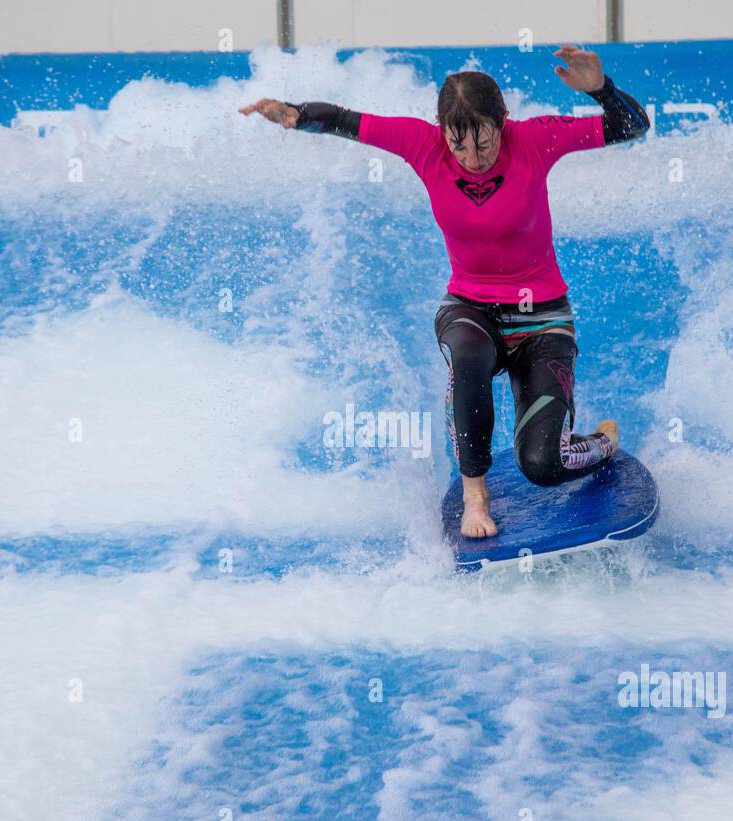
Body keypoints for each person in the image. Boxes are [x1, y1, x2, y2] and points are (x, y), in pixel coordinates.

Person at [241, 45, 650, 538]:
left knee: (542, 465)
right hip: (470, 308)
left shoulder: (535, 140)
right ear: (443, 133)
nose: (472, 158)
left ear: (502, 121)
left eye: (484, 142)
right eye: (459, 146)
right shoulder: (422, 144)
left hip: (542, 319)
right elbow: (350, 121)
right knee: (467, 352)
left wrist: (601, 91)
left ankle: (602, 442)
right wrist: (295, 115)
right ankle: (476, 494)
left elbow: (632, 128)